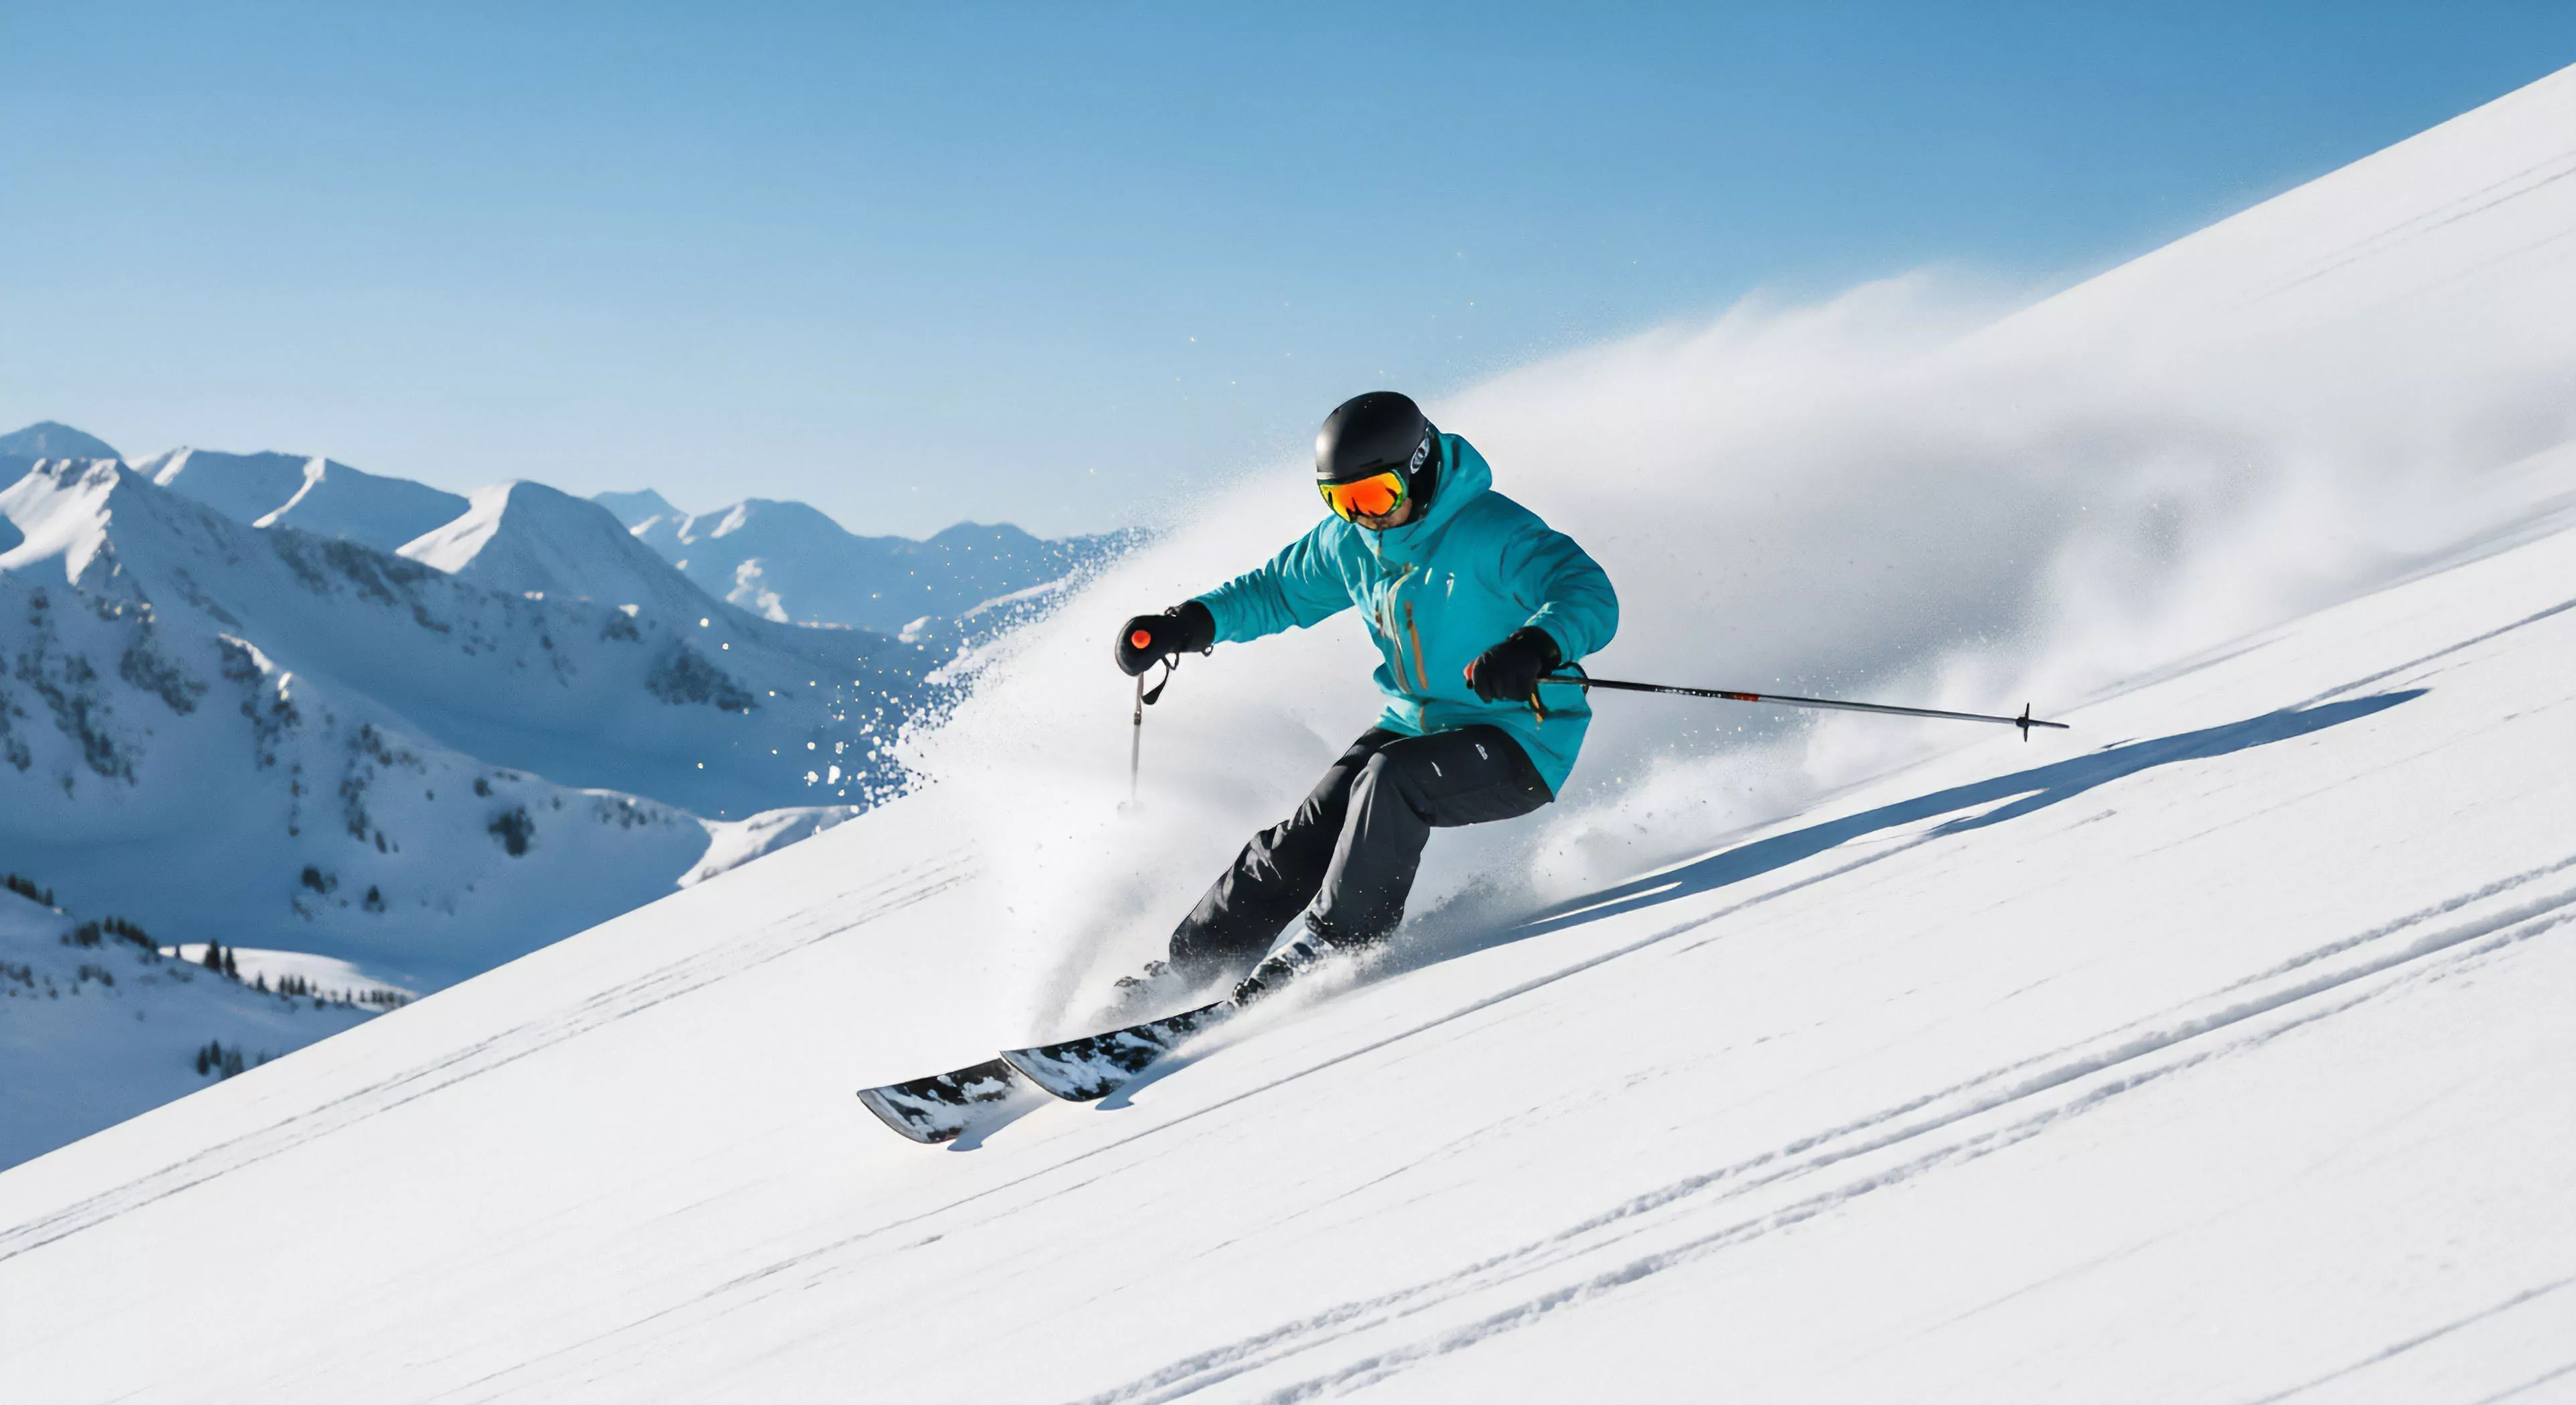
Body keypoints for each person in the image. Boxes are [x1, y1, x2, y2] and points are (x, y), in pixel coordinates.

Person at [1114, 391, 1619, 1006]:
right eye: (1343, 501)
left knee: (1390, 779)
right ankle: (1195, 964)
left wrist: (1536, 645)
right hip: (1414, 721)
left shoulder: (1493, 532)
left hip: (1522, 737)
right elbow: (1275, 593)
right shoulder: (1349, 542)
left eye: (1376, 496)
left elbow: (1586, 590)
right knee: (1309, 831)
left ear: (1420, 467)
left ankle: (1335, 944)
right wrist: (1185, 625)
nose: (1365, 517)